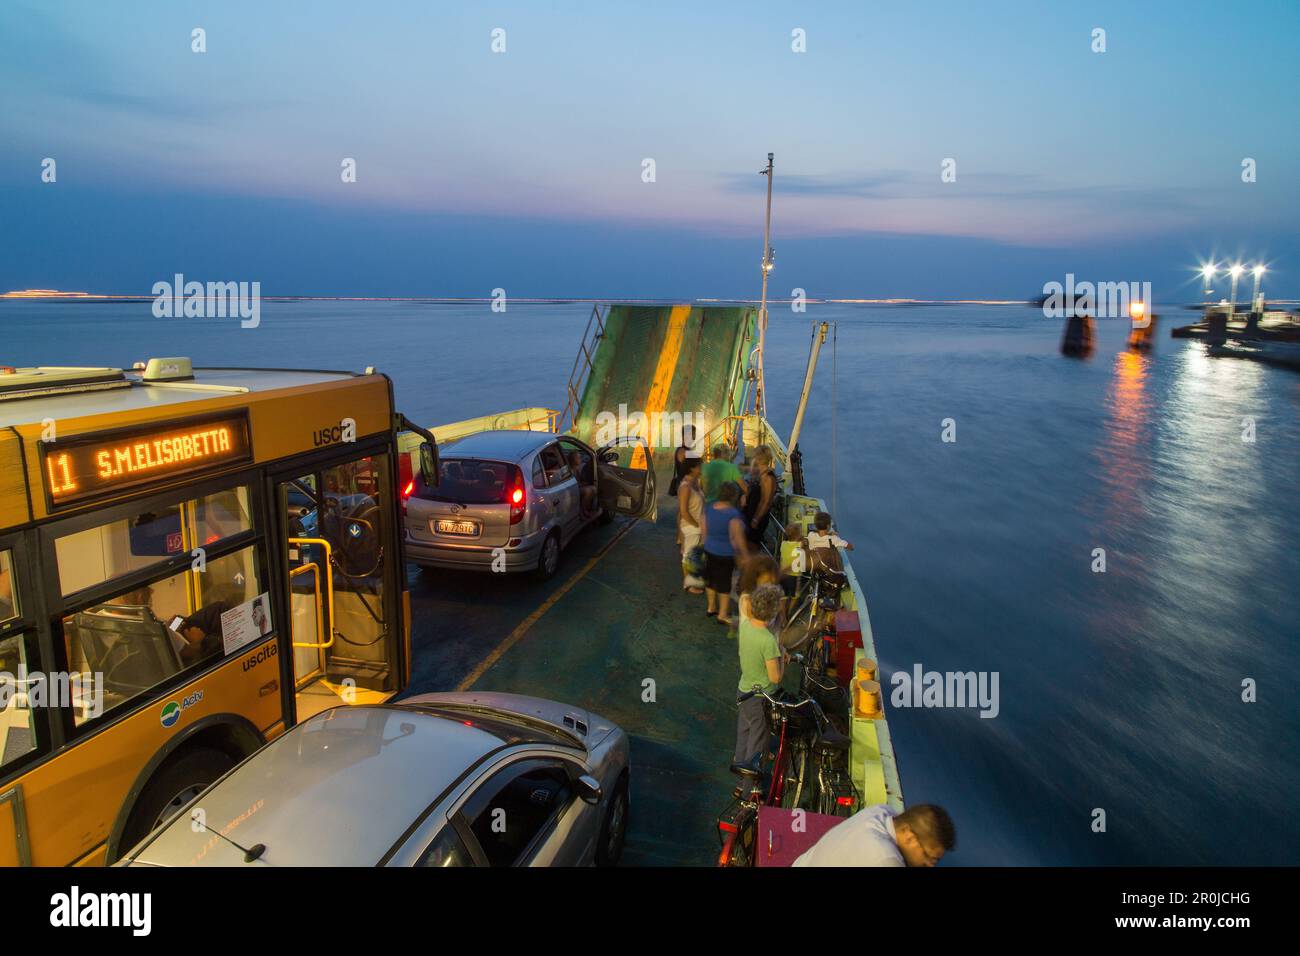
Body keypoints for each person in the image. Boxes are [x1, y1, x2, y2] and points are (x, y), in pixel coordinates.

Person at [792, 803, 957, 867]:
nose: (930, 865)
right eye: (929, 857)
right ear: (909, 836)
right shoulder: (886, 860)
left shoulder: (882, 811)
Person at [734, 582, 785, 765]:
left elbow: (746, 599)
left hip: (744, 690)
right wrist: (781, 655)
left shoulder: (745, 626)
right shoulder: (768, 640)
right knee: (756, 742)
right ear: (772, 613)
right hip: (761, 698)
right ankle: (749, 791)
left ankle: (740, 780)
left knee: (744, 735)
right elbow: (775, 677)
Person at [702, 481, 750, 626]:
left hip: (709, 549)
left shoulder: (709, 509)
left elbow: (703, 530)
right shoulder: (734, 514)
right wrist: (746, 556)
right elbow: (737, 538)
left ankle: (711, 607)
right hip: (725, 554)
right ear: (734, 496)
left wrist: (707, 544)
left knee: (710, 579)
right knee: (724, 584)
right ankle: (722, 615)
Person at [676, 454, 705, 593]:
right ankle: (688, 584)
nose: (702, 467)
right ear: (692, 468)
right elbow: (683, 511)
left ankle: (693, 582)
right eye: (700, 465)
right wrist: (697, 525)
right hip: (691, 527)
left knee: (695, 555)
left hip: (697, 526)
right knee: (688, 555)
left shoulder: (696, 482)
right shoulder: (686, 487)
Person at [741, 445, 778, 545]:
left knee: (752, 545)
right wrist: (745, 496)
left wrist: (756, 519)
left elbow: (766, 501)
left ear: (758, 457)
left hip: (757, 516)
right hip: (750, 512)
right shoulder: (760, 473)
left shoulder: (768, 477)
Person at [737, 554, 783, 635]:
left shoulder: (770, 596)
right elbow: (760, 625)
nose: (770, 587)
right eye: (766, 582)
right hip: (758, 642)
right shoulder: (747, 600)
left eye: (773, 583)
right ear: (754, 579)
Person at [667, 424, 697, 498]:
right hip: (685, 487)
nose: (694, 438)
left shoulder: (684, 450)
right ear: (685, 436)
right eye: (692, 435)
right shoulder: (683, 451)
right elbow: (690, 469)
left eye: (694, 435)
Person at [567, 450, 597, 517]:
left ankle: (585, 509)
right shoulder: (570, 470)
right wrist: (583, 484)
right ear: (573, 460)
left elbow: (579, 481)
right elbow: (574, 484)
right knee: (588, 491)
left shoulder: (577, 469)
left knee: (594, 489)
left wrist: (585, 483)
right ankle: (582, 510)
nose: (580, 459)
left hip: (577, 487)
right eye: (578, 458)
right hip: (571, 490)